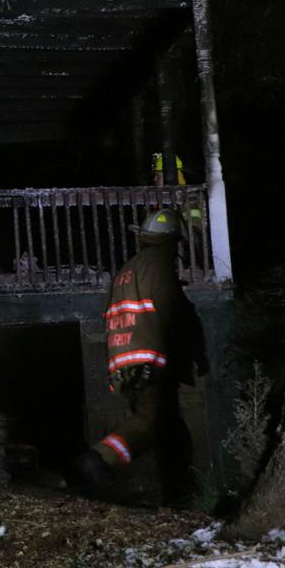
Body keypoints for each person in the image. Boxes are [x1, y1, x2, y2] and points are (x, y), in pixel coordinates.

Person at [73, 208, 207, 502]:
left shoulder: (126, 271)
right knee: (151, 423)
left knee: (171, 432)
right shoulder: (158, 268)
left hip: (126, 365)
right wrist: (194, 354)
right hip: (153, 363)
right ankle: (100, 459)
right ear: (171, 241)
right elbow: (173, 315)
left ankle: (180, 495)